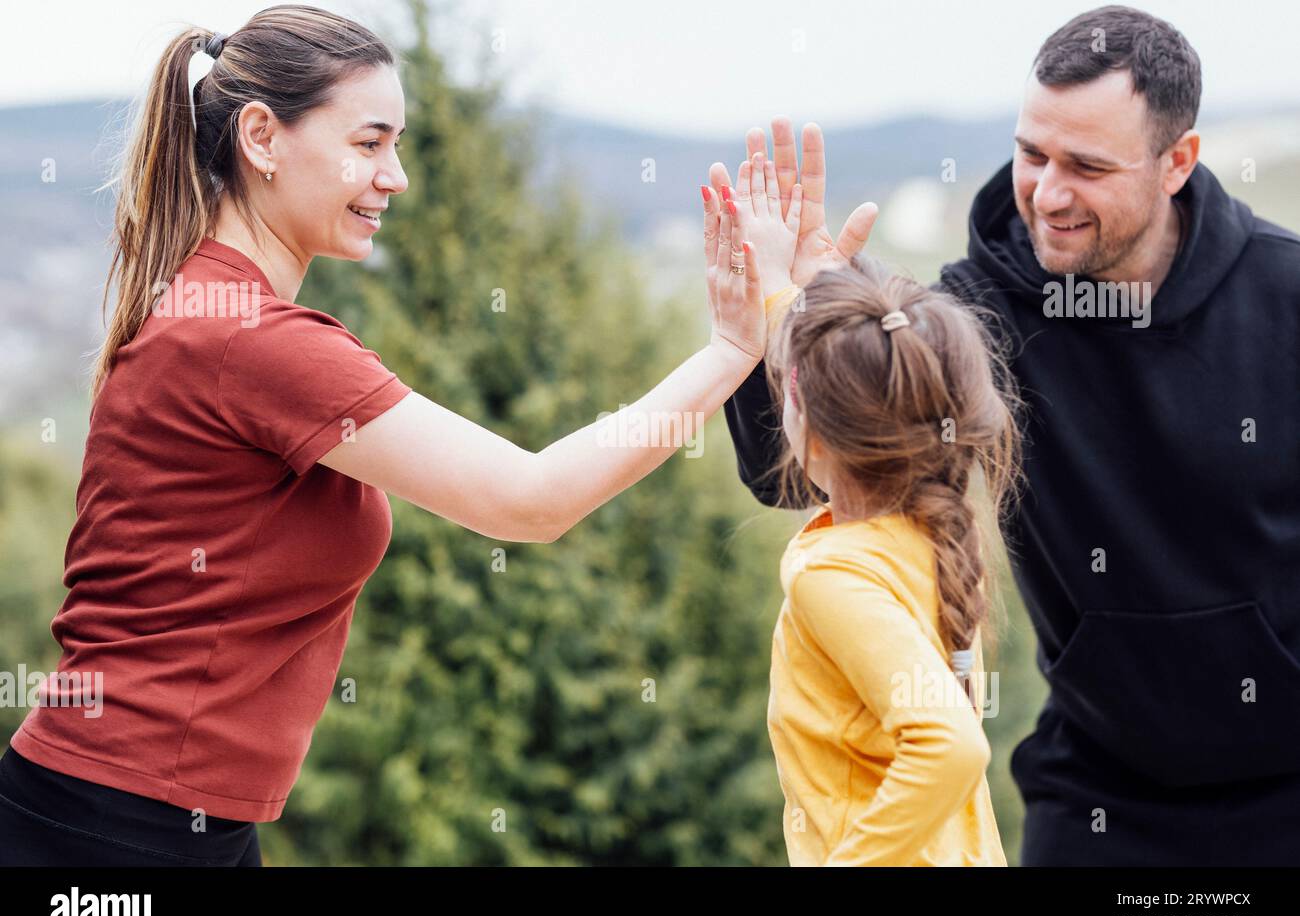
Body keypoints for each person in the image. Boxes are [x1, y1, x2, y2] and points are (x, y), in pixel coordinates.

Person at [0, 4, 768, 865]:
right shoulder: (252, 339)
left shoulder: (215, 312)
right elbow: (531, 500)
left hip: (165, 820)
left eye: (396, 145)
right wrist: (732, 351)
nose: (395, 175)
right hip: (114, 830)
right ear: (261, 136)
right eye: (368, 144)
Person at [722, 5, 1300, 865]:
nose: (1049, 191)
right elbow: (800, 479)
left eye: (1088, 166)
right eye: (1033, 154)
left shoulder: (1284, 296)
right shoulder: (979, 313)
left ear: (1177, 161)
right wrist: (802, 323)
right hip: (1099, 798)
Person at [718, 150, 1021, 865]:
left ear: (805, 420)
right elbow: (838, 372)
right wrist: (780, 294)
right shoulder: (931, 530)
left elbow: (949, 746)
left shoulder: (834, 576)